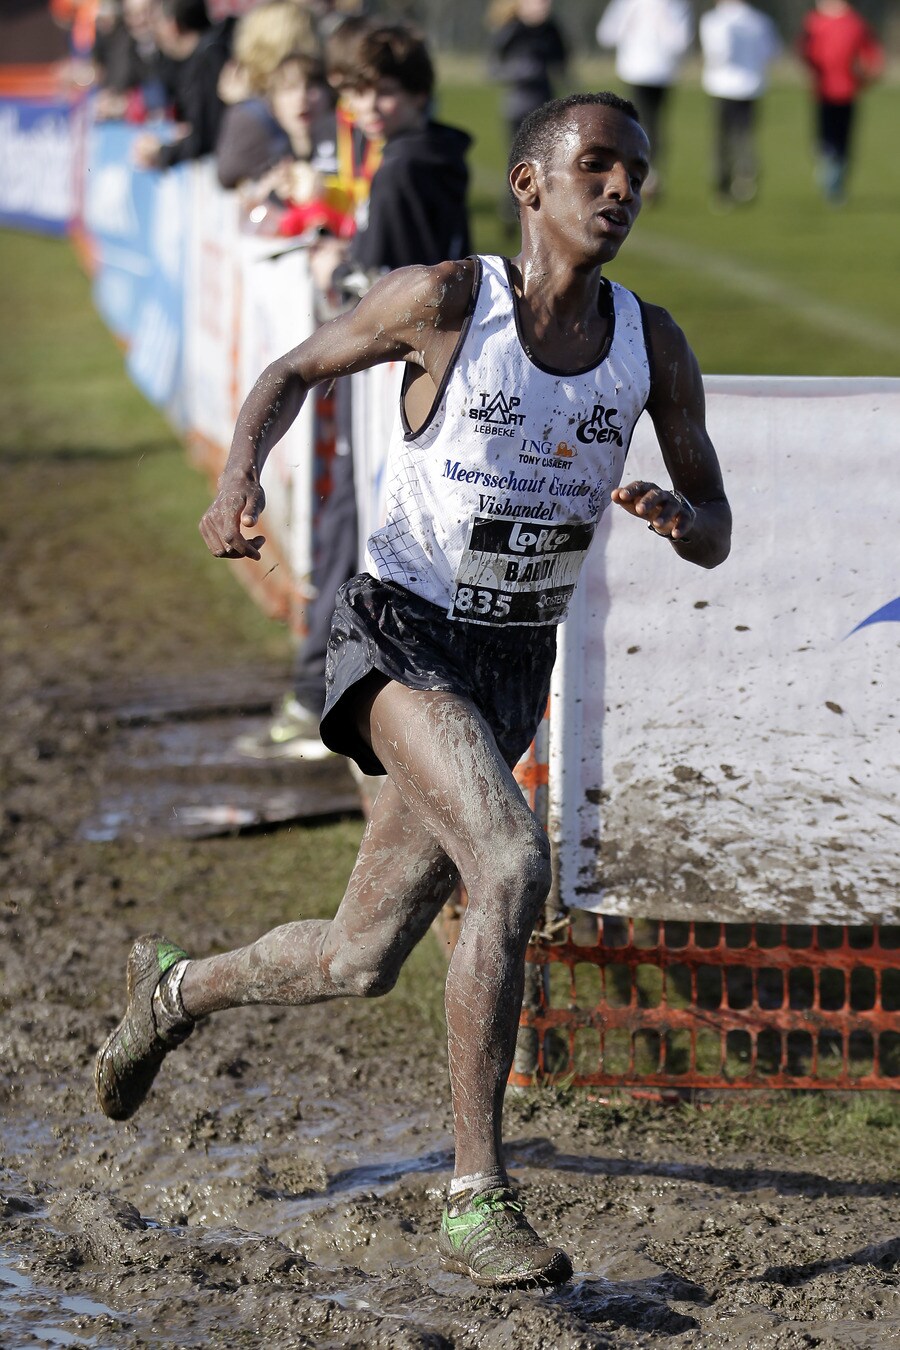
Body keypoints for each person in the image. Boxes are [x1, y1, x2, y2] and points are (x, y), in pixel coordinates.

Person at [95, 91, 732, 1288]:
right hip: (399, 635)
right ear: (531, 183)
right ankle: (477, 1196)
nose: (620, 190)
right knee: (510, 861)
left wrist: (680, 514)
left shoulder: (653, 346)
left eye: (636, 175)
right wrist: (237, 478)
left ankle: (171, 992)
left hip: (508, 667)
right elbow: (292, 367)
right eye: (597, 166)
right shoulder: (449, 301)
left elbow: (718, 532)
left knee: (359, 956)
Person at [240, 22, 471, 758]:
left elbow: (393, 287)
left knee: (356, 531)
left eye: (384, 92)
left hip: (393, 390)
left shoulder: (405, 166)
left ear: (419, 93)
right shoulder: (410, 156)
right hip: (404, 386)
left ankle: (331, 701)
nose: (368, 107)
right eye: (356, 92)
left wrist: (338, 270)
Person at [595, 0, 692, 199]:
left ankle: (650, 175)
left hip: (662, 75)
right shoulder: (628, 4)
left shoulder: (675, 6)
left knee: (654, 126)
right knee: (634, 125)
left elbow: (680, 42)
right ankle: (633, 174)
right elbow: (606, 35)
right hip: (634, 72)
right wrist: (629, 21)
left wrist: (663, 21)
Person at [799, 0, 883, 203]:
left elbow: (871, 55)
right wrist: (811, 71)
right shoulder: (814, 22)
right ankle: (830, 173)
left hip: (847, 91)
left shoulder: (855, 23)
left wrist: (866, 76)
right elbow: (805, 51)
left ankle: (835, 183)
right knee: (825, 140)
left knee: (842, 140)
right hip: (823, 91)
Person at [132, 0, 232, 171]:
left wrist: (163, 152)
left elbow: (209, 135)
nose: (154, 31)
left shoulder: (210, 59)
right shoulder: (190, 61)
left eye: (157, 22)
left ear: (172, 27)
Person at [699, 0, 780, 206]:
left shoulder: (714, 20)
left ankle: (723, 184)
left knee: (722, 139)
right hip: (750, 86)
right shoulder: (759, 20)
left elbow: (716, 54)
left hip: (721, 86)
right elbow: (770, 52)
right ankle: (744, 175)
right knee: (745, 136)